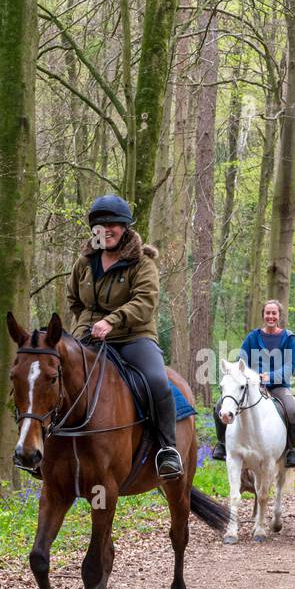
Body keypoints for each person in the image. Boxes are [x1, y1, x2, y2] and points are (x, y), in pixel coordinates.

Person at [66, 194, 184, 479]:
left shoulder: (142, 263)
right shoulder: (85, 262)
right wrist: (88, 324)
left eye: (113, 225)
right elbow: (73, 299)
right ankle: (46, 448)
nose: (106, 230)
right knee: (56, 375)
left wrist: (111, 320)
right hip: (90, 336)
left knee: (157, 381)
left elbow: (145, 303)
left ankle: (168, 450)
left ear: (125, 228)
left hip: (134, 336)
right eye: (100, 225)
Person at [212, 300, 295, 468]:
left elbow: (290, 366)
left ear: (279, 316)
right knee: (220, 405)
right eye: (267, 313)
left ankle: (291, 450)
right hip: (253, 386)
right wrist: (249, 376)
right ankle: (222, 444)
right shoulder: (252, 337)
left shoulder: (288, 338)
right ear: (263, 315)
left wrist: (270, 376)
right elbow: (242, 360)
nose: (270, 316)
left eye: (274, 313)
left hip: (278, 386)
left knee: (293, 411)